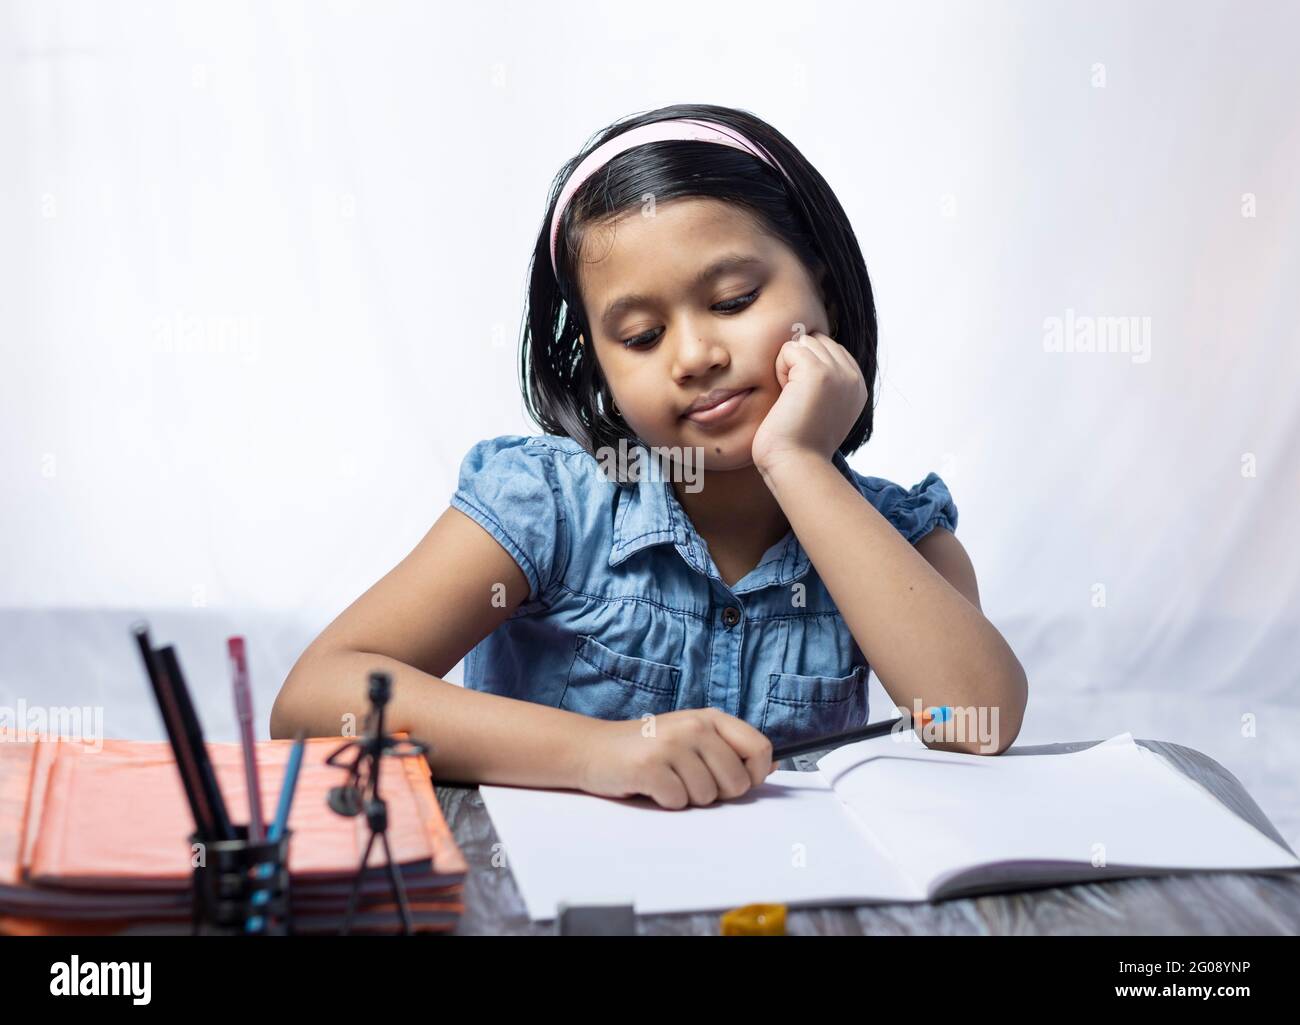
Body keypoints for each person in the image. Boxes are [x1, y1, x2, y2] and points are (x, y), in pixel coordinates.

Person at [272, 102, 1028, 810]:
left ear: (821, 285)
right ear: (598, 362)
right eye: (640, 336)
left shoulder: (899, 532)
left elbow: (977, 719)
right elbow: (316, 698)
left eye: (733, 301)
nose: (695, 355)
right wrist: (596, 752)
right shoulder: (551, 506)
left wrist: (798, 462)